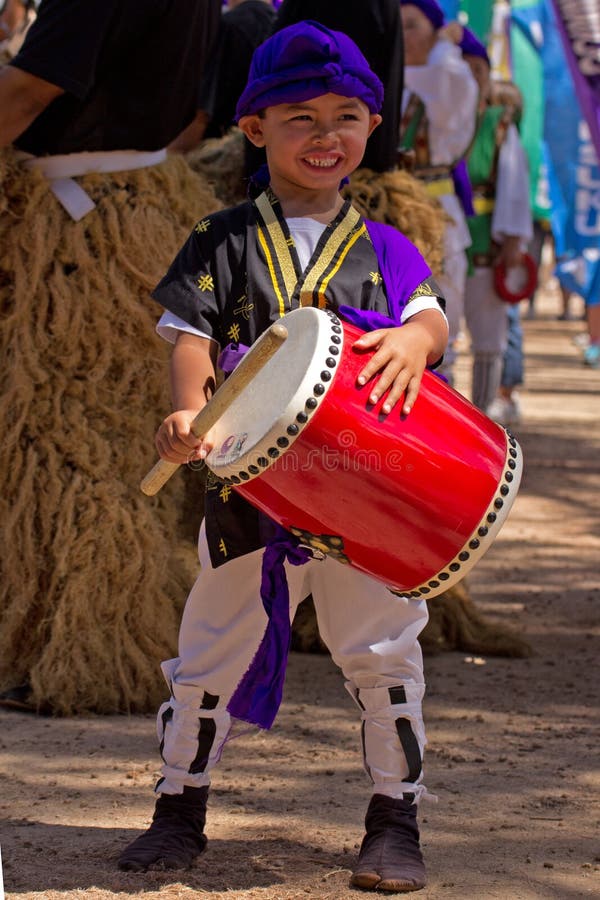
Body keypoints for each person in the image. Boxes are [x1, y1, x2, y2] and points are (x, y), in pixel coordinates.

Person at [118, 21, 448, 894]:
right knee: (211, 650)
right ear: (255, 128)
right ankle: (177, 809)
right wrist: (190, 410)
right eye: (299, 116)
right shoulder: (220, 239)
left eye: (346, 115)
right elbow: (189, 336)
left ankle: (394, 819)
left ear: (372, 129)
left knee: (380, 650)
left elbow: (431, 317)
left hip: (362, 499)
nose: (325, 134)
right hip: (248, 495)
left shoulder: (386, 248)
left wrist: (417, 341)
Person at [0, 0, 223, 715]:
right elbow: (195, 114)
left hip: (81, 231)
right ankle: (93, 643)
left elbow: (32, 89)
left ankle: (95, 654)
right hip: (138, 206)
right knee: (111, 444)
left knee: (68, 443)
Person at [399, 0, 478, 386]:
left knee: (442, 295)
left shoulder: (450, 76)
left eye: (413, 25)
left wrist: (446, 46)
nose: (404, 35)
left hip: (434, 205)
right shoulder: (392, 76)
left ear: (434, 31)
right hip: (390, 204)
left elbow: (448, 83)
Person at [459, 28, 532, 420]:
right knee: (440, 334)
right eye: (462, 69)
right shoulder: (426, 117)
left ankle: (481, 417)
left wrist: (512, 243)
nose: (469, 78)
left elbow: (515, 184)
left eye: (476, 70)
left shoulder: (498, 124)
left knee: (488, 339)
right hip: (439, 242)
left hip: (486, 243)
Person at [168, 0, 277, 159]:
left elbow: (201, 115)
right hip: (264, 158)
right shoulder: (284, 28)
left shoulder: (227, 27)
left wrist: (168, 163)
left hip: (217, 162)